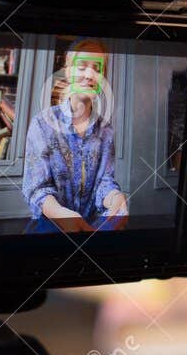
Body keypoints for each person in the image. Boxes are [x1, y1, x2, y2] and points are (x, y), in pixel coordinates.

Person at [22, 39, 128, 232]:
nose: (89, 75)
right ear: (68, 71)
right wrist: (64, 216)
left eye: (97, 68)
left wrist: (115, 198)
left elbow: (105, 182)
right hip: (49, 230)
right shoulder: (42, 123)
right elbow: (36, 188)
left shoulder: (106, 131)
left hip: (91, 229)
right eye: (81, 67)